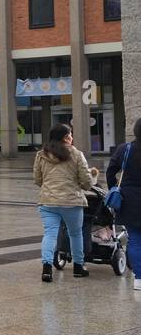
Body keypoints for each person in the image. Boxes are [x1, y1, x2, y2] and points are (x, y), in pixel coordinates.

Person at [34, 123, 94, 282]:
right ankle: (78, 267)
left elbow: (37, 179)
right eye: (70, 135)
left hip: (47, 202)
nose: (72, 138)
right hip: (72, 202)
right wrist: (83, 186)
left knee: (49, 234)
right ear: (66, 137)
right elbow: (87, 181)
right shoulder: (76, 154)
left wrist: (49, 188)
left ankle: (47, 268)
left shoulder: (41, 154)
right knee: (75, 234)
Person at [106, 119, 141, 291]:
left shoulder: (124, 149)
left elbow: (110, 171)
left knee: (134, 240)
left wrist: (113, 187)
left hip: (129, 200)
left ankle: (139, 279)